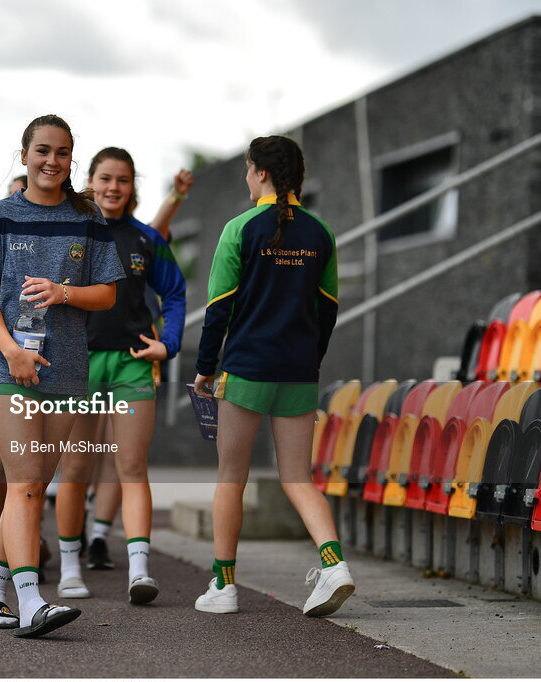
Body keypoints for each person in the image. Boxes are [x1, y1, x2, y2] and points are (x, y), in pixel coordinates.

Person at [0, 114, 125, 638]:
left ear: (71, 159)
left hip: (67, 371)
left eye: (62, 152)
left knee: (28, 487)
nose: (51, 161)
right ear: (25, 154)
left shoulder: (89, 218)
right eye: (42, 151)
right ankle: (31, 601)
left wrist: (64, 292)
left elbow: (108, 294)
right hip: (7, 366)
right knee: (27, 483)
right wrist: (9, 350)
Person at [192, 135, 349, 616]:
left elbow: (217, 309)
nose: (246, 176)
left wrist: (203, 369)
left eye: (246, 168)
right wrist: (311, 366)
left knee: (230, 479)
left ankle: (224, 586)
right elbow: (328, 314)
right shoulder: (321, 233)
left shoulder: (239, 228)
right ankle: (335, 566)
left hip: (246, 369)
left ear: (259, 172)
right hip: (300, 373)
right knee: (299, 479)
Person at [54, 147, 186, 604]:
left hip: (132, 361)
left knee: (131, 465)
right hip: (78, 360)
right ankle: (70, 567)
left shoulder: (147, 238)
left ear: (133, 187)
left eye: (123, 180)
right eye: (105, 178)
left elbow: (175, 293)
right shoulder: (70, 231)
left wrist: (168, 343)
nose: (113, 188)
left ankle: (139, 571)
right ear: (90, 180)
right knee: (76, 466)